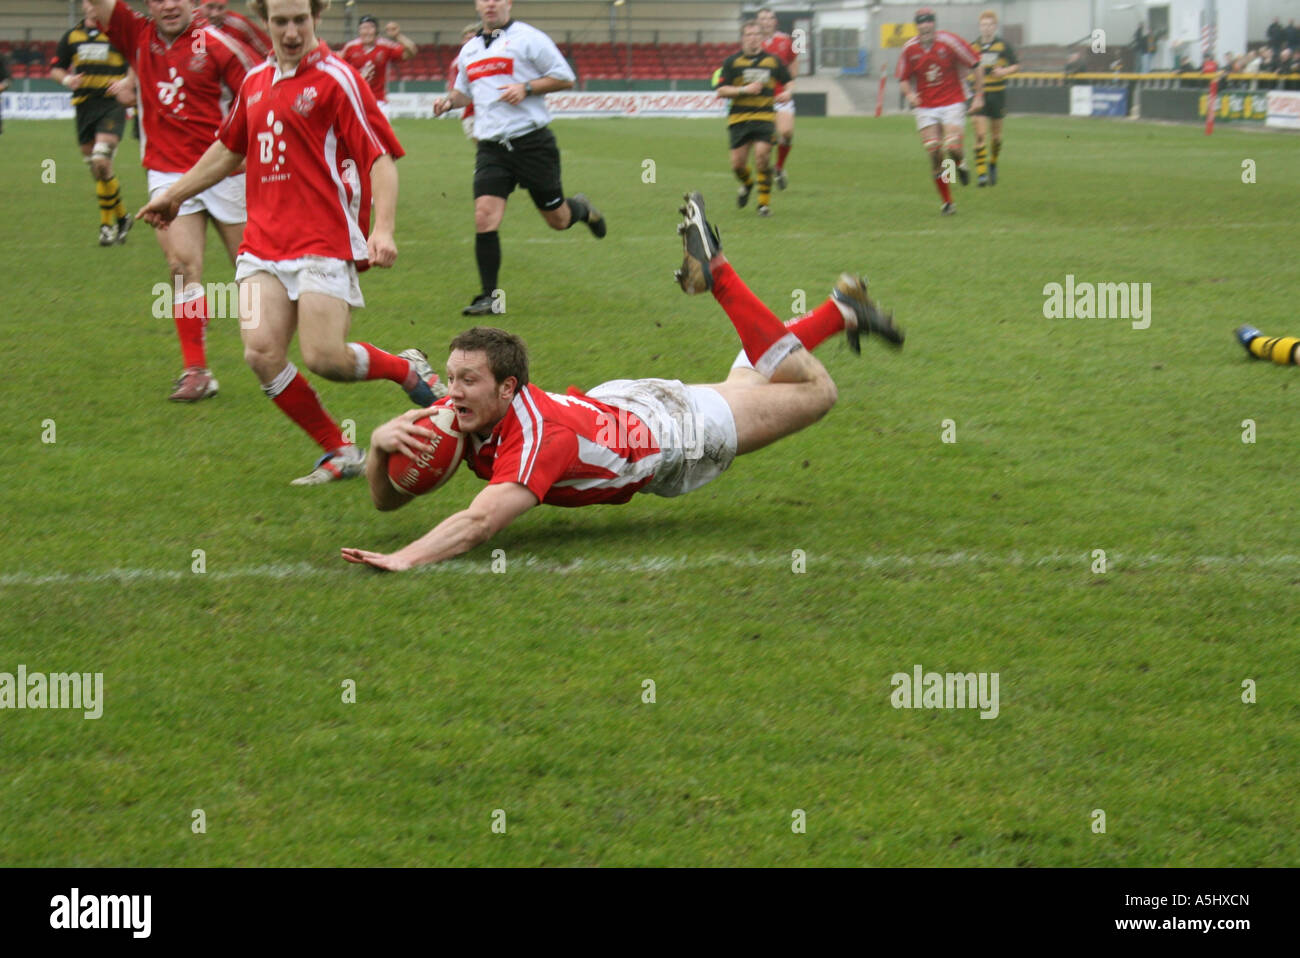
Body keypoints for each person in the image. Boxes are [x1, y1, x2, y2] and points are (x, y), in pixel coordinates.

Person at [340, 191, 904, 572]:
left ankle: (740, 283)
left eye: (467, 380)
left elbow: (479, 523)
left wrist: (405, 559)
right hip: (625, 411)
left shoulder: (539, 438)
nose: (451, 391)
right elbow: (389, 502)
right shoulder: (464, 411)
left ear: (507, 390)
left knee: (812, 391)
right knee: (760, 376)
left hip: (674, 435)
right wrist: (377, 452)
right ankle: (840, 311)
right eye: (453, 378)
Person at [138, 0, 446, 486]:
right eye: (280, 21)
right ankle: (338, 449)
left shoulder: (337, 78)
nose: (291, 31)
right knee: (260, 353)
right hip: (262, 243)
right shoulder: (256, 81)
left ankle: (405, 370)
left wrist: (382, 229)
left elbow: (381, 158)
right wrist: (174, 195)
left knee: (325, 357)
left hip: (322, 238)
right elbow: (228, 148)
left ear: (315, 19)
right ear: (266, 22)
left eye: (300, 20)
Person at [92, 0, 255, 401]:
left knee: (253, 273)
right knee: (181, 266)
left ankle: (290, 351)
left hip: (224, 169)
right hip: (168, 173)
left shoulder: (217, 45)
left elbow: (262, 95)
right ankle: (196, 370)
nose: (168, 5)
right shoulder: (137, 35)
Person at [433, 0, 606, 317]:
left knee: (557, 219)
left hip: (532, 143)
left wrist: (526, 87)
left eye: (496, 0)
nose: (490, 5)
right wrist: (447, 102)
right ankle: (490, 297)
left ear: (508, 4)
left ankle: (582, 209)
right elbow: (464, 93)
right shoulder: (470, 49)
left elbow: (565, 77)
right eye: (484, 0)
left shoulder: (529, 38)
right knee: (484, 216)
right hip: (492, 146)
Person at [51, 1, 136, 246]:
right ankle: (122, 217)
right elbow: (56, 69)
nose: (92, 5)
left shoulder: (117, 34)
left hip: (111, 105)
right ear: (83, 5)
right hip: (84, 107)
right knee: (99, 171)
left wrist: (126, 83)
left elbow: (137, 61)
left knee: (101, 160)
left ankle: (106, 227)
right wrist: (68, 79)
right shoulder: (72, 36)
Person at [896, 7, 982, 216]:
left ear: (934, 23)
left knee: (952, 147)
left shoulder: (949, 42)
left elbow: (976, 63)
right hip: (926, 106)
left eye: (929, 21)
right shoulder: (910, 49)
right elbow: (903, 78)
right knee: (935, 151)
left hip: (952, 101)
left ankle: (960, 163)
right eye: (921, 22)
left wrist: (979, 95)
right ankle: (948, 202)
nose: (925, 25)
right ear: (917, 26)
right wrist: (909, 95)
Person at [713, 19, 792, 218]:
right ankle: (747, 184)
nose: (753, 38)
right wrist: (744, 90)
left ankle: (763, 206)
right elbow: (721, 90)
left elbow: (789, 82)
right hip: (739, 119)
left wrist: (788, 93)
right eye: (749, 35)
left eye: (756, 34)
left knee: (762, 157)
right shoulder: (731, 62)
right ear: (742, 38)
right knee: (737, 165)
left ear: (761, 37)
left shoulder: (773, 61)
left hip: (764, 117)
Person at [969, 10, 1017, 188]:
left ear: (995, 27)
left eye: (990, 25)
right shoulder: (972, 47)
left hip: (997, 94)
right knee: (980, 134)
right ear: (979, 27)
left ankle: (993, 162)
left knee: (996, 138)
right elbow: (966, 68)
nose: (986, 28)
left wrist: (1003, 71)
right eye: (983, 25)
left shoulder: (1003, 46)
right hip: (979, 95)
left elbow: (1016, 65)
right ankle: (981, 174)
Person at [757, 7, 797, 191]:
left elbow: (793, 61)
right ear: (758, 22)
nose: (766, 21)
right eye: (762, 18)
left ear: (775, 21)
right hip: (760, 97)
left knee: (787, 132)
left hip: (781, 94)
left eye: (769, 18)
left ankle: (779, 167)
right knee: (763, 142)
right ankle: (762, 181)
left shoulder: (785, 40)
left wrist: (791, 85)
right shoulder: (753, 43)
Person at [338, 15, 416, 107]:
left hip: (379, 101)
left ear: (376, 31)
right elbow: (337, 64)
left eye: (371, 27)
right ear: (359, 31)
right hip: (356, 100)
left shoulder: (385, 46)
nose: (367, 31)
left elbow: (411, 52)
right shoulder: (350, 47)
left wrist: (397, 36)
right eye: (364, 28)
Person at [200, 0, 272, 60]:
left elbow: (268, 51)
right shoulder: (192, 24)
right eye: (210, 7)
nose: (215, 14)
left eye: (220, 8)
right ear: (200, 6)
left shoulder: (239, 24)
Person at [446, 22, 480, 141]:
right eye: (468, 38)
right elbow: (453, 89)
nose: (471, 41)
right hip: (472, 114)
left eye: (474, 38)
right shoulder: (458, 64)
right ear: (462, 41)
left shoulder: (489, 57)